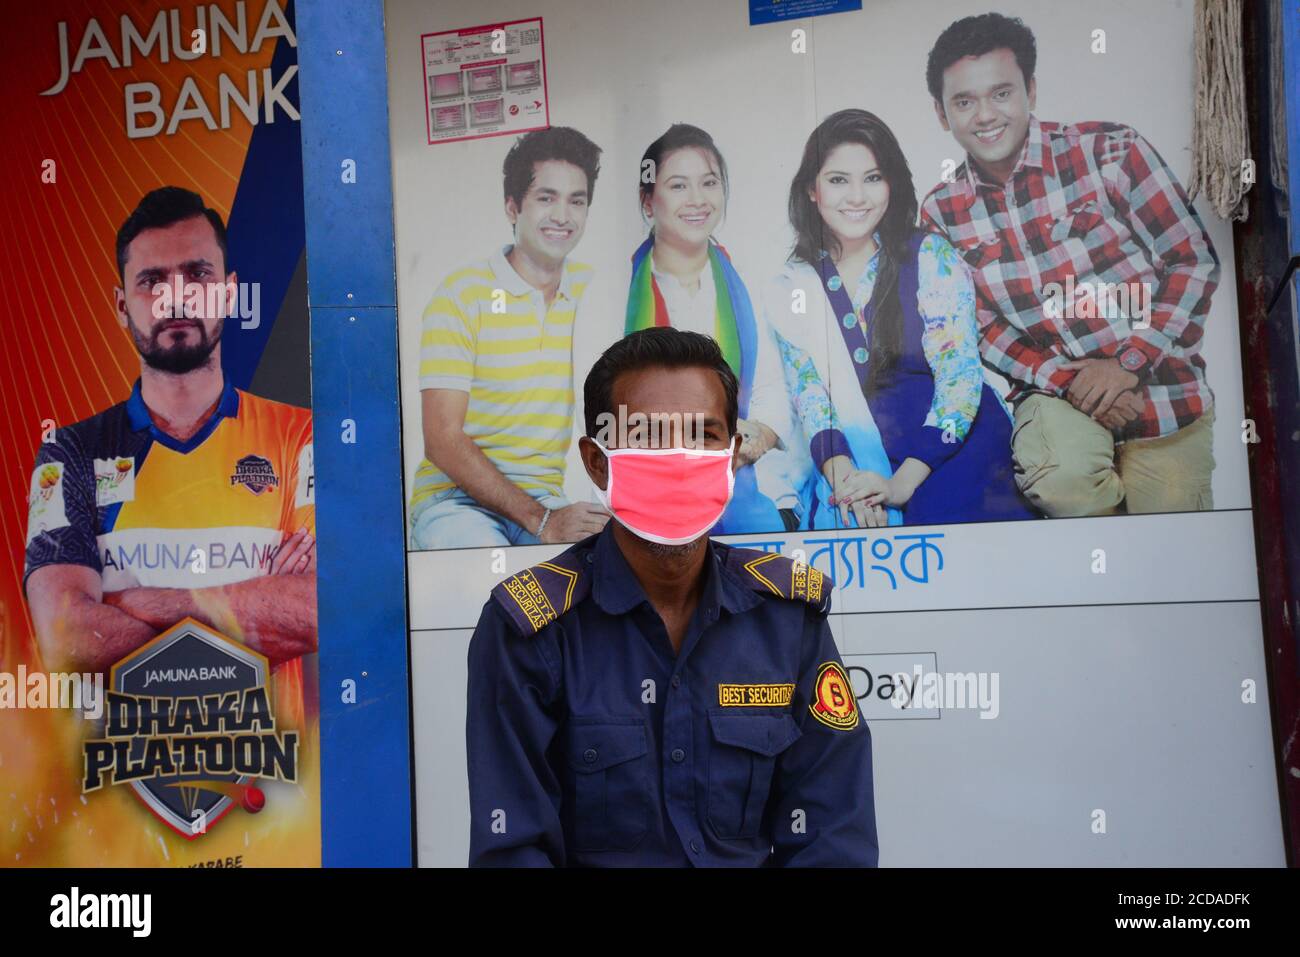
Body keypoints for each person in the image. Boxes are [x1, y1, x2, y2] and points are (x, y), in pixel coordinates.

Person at [466, 327, 878, 867]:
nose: (677, 457)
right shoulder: (529, 631)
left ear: (733, 455)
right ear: (596, 462)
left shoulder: (786, 619)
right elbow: (514, 849)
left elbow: (833, 837)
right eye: (648, 436)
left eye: (702, 435)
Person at [24, 186, 317, 723]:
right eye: (152, 281)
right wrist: (255, 600)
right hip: (113, 793)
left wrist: (140, 603)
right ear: (121, 305)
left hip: (274, 791)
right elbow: (67, 643)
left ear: (229, 293)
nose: (176, 298)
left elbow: (315, 611)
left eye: (198, 274)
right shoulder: (68, 454)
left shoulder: (301, 436)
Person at [920, 12, 1220, 516]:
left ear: (1030, 90)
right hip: (1056, 394)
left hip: (1165, 394)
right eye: (964, 102)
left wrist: (1127, 364)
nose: (986, 115)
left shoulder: (1108, 150)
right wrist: (1070, 383)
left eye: (1001, 93)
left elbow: (1190, 260)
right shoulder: (941, 213)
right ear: (942, 114)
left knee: (1171, 551)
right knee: (1064, 485)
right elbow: (980, 325)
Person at [765, 109, 1034, 528]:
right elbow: (811, 398)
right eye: (838, 180)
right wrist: (848, 482)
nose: (857, 197)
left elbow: (959, 382)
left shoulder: (930, 257)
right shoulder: (793, 285)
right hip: (856, 454)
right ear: (811, 191)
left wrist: (899, 485)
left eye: (873, 178)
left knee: (944, 539)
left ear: (892, 184)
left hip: (951, 449)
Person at [410, 126, 611, 548]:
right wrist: (542, 521)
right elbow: (442, 440)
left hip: (546, 502)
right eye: (546, 198)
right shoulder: (462, 295)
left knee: (607, 575)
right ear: (512, 208)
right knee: (489, 575)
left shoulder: (596, 291)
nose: (563, 215)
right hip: (454, 505)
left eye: (577, 201)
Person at [626, 123, 799, 532]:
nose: (698, 200)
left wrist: (754, 438)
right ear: (648, 201)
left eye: (709, 183)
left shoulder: (751, 277)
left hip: (750, 493)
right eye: (679, 186)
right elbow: (602, 409)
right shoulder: (616, 291)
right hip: (653, 500)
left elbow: (775, 390)